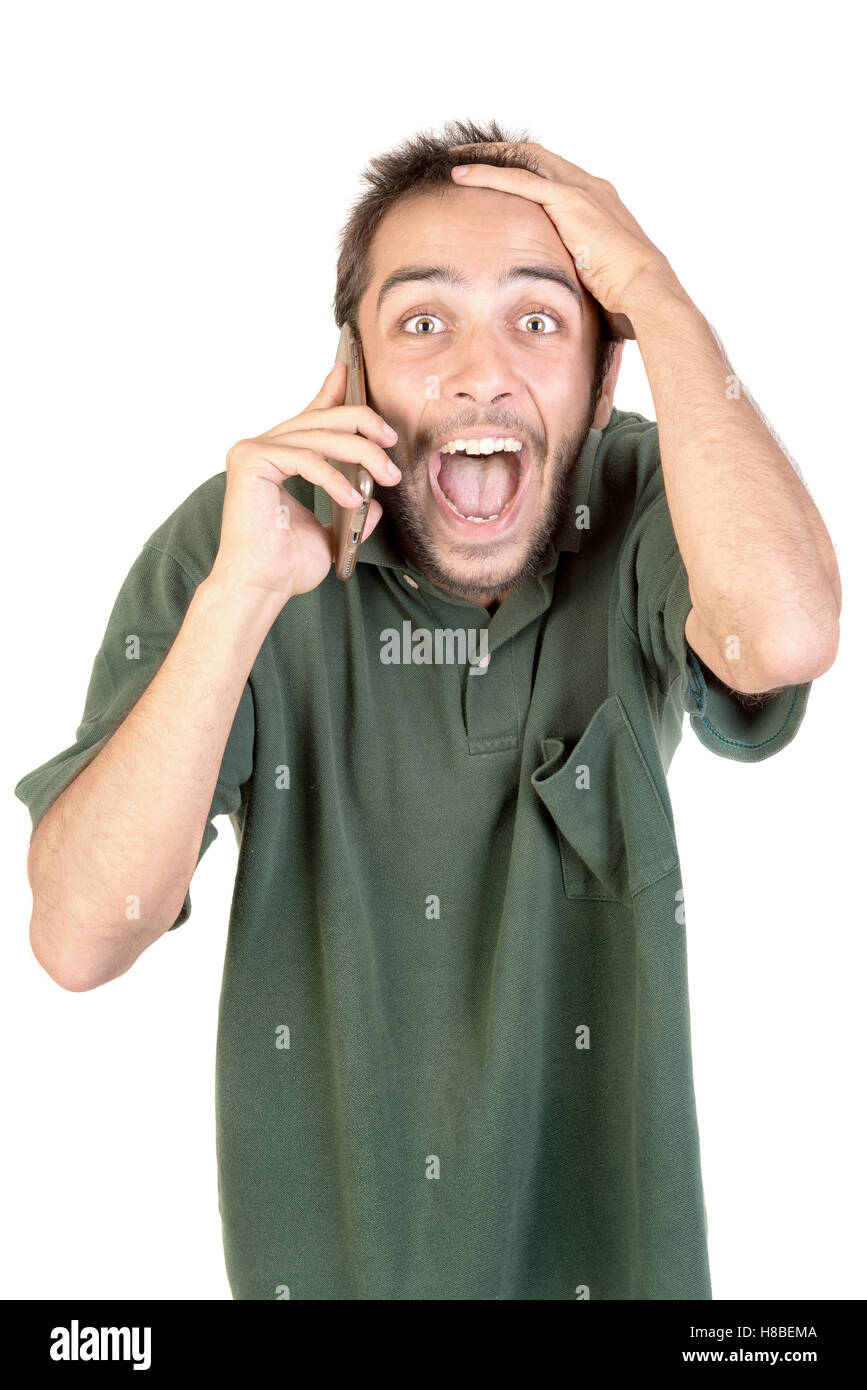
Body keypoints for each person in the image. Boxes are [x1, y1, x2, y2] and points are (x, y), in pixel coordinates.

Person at [15, 119, 841, 1300]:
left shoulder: (654, 496)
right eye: (422, 322)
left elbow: (787, 633)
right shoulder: (236, 540)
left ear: (606, 378)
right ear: (349, 371)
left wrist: (657, 293)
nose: (480, 370)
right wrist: (243, 595)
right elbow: (80, 936)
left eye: (540, 321)